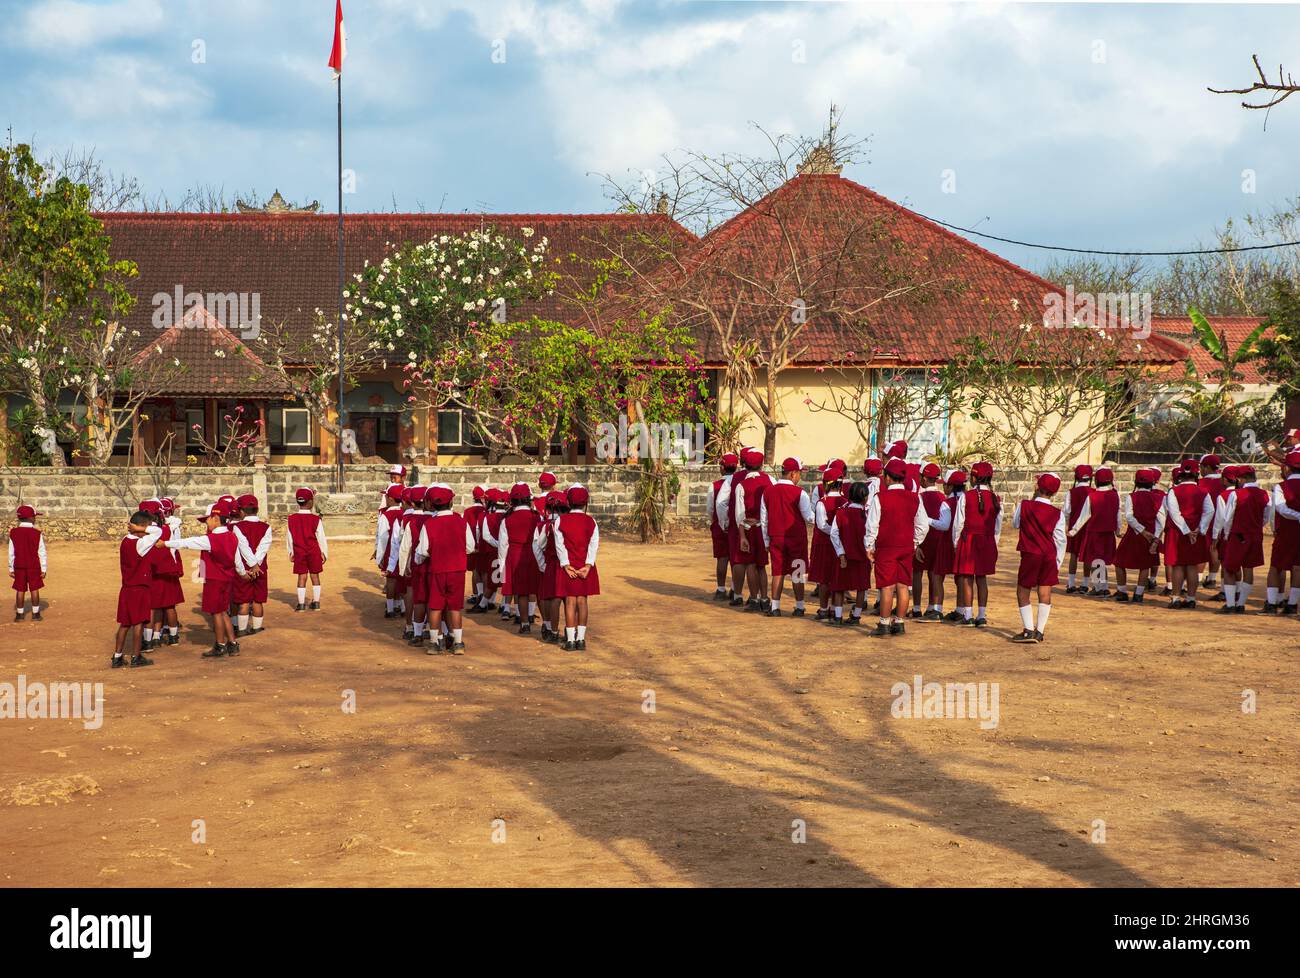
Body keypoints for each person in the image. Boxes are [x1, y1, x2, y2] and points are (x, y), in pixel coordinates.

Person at [166, 501, 246, 658]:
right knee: (223, 612)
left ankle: (220, 645)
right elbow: (237, 560)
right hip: (227, 579)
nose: (206, 522)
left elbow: (187, 543)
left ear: (215, 518)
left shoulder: (210, 539)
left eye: (208, 519)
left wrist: (166, 543)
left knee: (216, 613)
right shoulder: (232, 537)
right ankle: (233, 644)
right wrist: (242, 573)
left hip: (214, 580)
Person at [864, 457, 930, 636]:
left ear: (887, 477)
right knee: (903, 585)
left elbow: (872, 525)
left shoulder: (880, 498)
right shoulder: (915, 498)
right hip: (905, 547)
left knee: (886, 586)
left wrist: (869, 545)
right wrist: (914, 542)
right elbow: (923, 525)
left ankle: (884, 623)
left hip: (886, 547)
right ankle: (899, 622)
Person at [413, 485, 475, 654]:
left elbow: (423, 550)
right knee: (455, 606)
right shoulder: (461, 521)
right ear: (451, 502)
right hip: (457, 570)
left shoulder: (429, 524)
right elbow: (470, 547)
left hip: (437, 569)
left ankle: (434, 643)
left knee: (435, 606)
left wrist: (418, 560)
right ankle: (458, 643)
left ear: (431, 505)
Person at [1010, 473, 1067, 643]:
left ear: (1037, 487)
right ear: (1055, 493)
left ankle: (1028, 630)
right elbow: (1060, 540)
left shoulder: (1025, 505)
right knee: (1045, 592)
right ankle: (1040, 631)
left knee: (1023, 591)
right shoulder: (1058, 513)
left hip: (1031, 553)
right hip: (1049, 555)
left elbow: (1015, 524)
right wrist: (1057, 562)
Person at [760, 457, 814, 617]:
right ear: (793, 474)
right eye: (799, 474)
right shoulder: (800, 493)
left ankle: (775, 606)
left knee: (777, 572)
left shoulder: (768, 491)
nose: (800, 478)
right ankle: (799, 606)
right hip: (796, 537)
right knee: (798, 571)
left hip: (776, 536)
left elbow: (764, 519)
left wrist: (766, 540)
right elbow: (808, 516)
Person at [1215, 465, 1271, 614]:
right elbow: (1266, 516)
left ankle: (1231, 604)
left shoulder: (1236, 494)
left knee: (1229, 569)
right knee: (1248, 569)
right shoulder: (1265, 494)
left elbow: (1228, 518)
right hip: (1255, 535)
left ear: (1240, 479)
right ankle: (1241, 603)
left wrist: (1226, 534)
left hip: (1238, 535)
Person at [951, 461, 1002, 627]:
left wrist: (956, 543)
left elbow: (959, 523)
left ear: (974, 477)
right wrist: (993, 543)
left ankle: (968, 615)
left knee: (967, 578)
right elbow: (997, 526)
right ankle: (981, 615)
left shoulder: (966, 497)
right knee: (982, 579)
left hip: (969, 540)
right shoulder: (995, 498)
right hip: (987, 541)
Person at [114, 511, 163, 668]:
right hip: (139, 589)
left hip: (126, 589)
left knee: (124, 624)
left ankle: (117, 656)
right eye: (146, 526)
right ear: (141, 527)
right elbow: (158, 531)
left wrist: (137, 528)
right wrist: (140, 529)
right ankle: (136, 656)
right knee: (138, 623)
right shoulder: (140, 544)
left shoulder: (125, 540)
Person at [555, 484, 600, 651]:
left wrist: (566, 565)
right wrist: (588, 565)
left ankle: (570, 641)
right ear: (585, 503)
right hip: (584, 565)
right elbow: (593, 545)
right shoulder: (591, 521)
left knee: (569, 602)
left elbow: (559, 545)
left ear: (568, 502)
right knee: (582, 601)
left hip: (569, 565)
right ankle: (581, 639)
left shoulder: (560, 520)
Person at [1162, 464, 1213, 609]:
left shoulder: (1174, 491)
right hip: (1196, 532)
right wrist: (1199, 529)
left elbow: (1174, 512)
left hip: (1178, 533)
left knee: (1178, 565)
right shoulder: (1203, 491)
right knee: (1192, 565)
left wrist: (1186, 531)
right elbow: (1209, 511)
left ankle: (1176, 598)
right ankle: (1191, 598)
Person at [1113, 469, 1164, 604]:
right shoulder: (1158, 498)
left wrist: (1141, 530)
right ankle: (1139, 594)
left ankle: (1122, 591)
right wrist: (1155, 538)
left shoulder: (1131, 496)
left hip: (1134, 533)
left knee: (1119, 561)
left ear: (1136, 481)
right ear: (1152, 482)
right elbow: (1161, 520)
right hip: (1151, 534)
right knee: (1145, 564)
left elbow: (1129, 517)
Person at [1068, 466, 1120, 597]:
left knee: (1095, 561)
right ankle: (1104, 586)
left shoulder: (1092, 496)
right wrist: (1118, 531)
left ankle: (1098, 588)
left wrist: (1073, 531)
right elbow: (1118, 514)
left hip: (1094, 532)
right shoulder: (1115, 495)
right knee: (1101, 561)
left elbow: (1084, 516)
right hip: (1108, 532)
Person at [732, 448, 773, 612]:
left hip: (748, 528)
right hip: (763, 527)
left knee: (750, 564)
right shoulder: (770, 480)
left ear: (745, 466)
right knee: (762, 565)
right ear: (762, 465)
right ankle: (765, 598)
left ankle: (754, 599)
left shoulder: (741, 485)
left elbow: (739, 515)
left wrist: (742, 536)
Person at [498, 482, 542, 633]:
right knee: (537, 590)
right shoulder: (537, 517)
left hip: (515, 556)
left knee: (521, 592)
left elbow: (503, 545)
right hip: (535, 554)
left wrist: (502, 566)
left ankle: (524, 624)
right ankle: (546, 623)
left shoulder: (507, 519)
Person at [913, 463, 953, 622]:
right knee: (934, 575)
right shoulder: (943, 498)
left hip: (922, 540)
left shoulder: (919, 498)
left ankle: (916, 608)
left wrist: (916, 543)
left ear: (923, 478)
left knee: (916, 574)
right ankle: (933, 606)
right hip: (939, 540)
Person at [829, 481, 871, 626]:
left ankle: (838, 617)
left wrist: (840, 553)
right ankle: (856, 616)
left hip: (844, 556)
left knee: (840, 586)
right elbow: (871, 534)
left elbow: (834, 533)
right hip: (862, 556)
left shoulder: (841, 512)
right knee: (861, 588)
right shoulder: (867, 514)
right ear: (865, 498)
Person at [231, 494, 272, 637]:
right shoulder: (266, 527)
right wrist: (257, 563)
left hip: (244, 569)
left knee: (243, 601)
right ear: (257, 509)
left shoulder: (237, 527)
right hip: (261, 569)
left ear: (241, 511)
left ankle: (241, 631)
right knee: (258, 601)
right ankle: (257, 629)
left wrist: (252, 564)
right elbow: (264, 547)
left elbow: (243, 546)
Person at [810, 464, 846, 621]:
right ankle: (834, 609)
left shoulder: (821, 503)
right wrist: (839, 534)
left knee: (824, 579)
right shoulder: (845, 501)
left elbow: (822, 524)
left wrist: (834, 532)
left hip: (825, 544)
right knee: (837, 577)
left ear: (825, 484)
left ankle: (824, 609)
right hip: (841, 545)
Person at [532, 490, 569, 643]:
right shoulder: (569, 522)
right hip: (569, 565)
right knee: (570, 599)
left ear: (547, 509)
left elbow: (537, 546)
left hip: (551, 564)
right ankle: (570, 630)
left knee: (550, 597)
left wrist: (542, 565)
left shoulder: (543, 525)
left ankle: (550, 629)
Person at [1266, 450, 1300, 615]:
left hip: (1286, 530)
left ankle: (1272, 604)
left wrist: (1298, 515)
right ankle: (1292, 605)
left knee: (1276, 566)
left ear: (1287, 468)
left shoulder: (1281, 486)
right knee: (1298, 567)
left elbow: (1280, 508)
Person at [286, 487, 327, 611]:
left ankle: (302, 604)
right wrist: (324, 553)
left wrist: (291, 552)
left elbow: (289, 537)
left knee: (301, 577)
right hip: (313, 551)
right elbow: (321, 537)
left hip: (299, 551)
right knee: (315, 576)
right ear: (310, 502)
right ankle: (316, 602)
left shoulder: (291, 519)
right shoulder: (316, 519)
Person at [707, 454, 740, 601]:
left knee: (722, 557)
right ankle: (734, 588)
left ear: (722, 467)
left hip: (719, 525)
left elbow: (710, 509)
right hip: (736, 524)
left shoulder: (714, 486)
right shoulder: (739, 483)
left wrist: (717, 520)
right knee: (735, 558)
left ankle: (721, 589)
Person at [375, 483, 407, 618]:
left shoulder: (385, 516)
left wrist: (379, 556)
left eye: (387, 496)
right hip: (404, 550)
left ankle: (390, 608)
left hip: (389, 550)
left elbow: (382, 537)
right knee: (402, 578)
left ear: (391, 499)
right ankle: (402, 606)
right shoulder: (405, 512)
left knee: (391, 579)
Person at [10, 504, 46, 623]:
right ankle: (35, 614)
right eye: (34, 516)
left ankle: (19, 615)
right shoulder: (37, 533)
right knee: (34, 589)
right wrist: (44, 568)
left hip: (19, 565)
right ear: (30, 518)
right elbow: (41, 552)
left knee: (20, 590)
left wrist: (11, 568)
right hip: (34, 566)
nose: (35, 518)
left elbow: (12, 552)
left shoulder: (14, 533)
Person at [1062, 464, 1093, 593]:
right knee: (1088, 556)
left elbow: (1066, 511)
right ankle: (1085, 584)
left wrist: (1067, 527)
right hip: (1090, 528)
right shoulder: (1094, 492)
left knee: (1073, 554)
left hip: (1075, 527)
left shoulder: (1071, 492)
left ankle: (1071, 583)